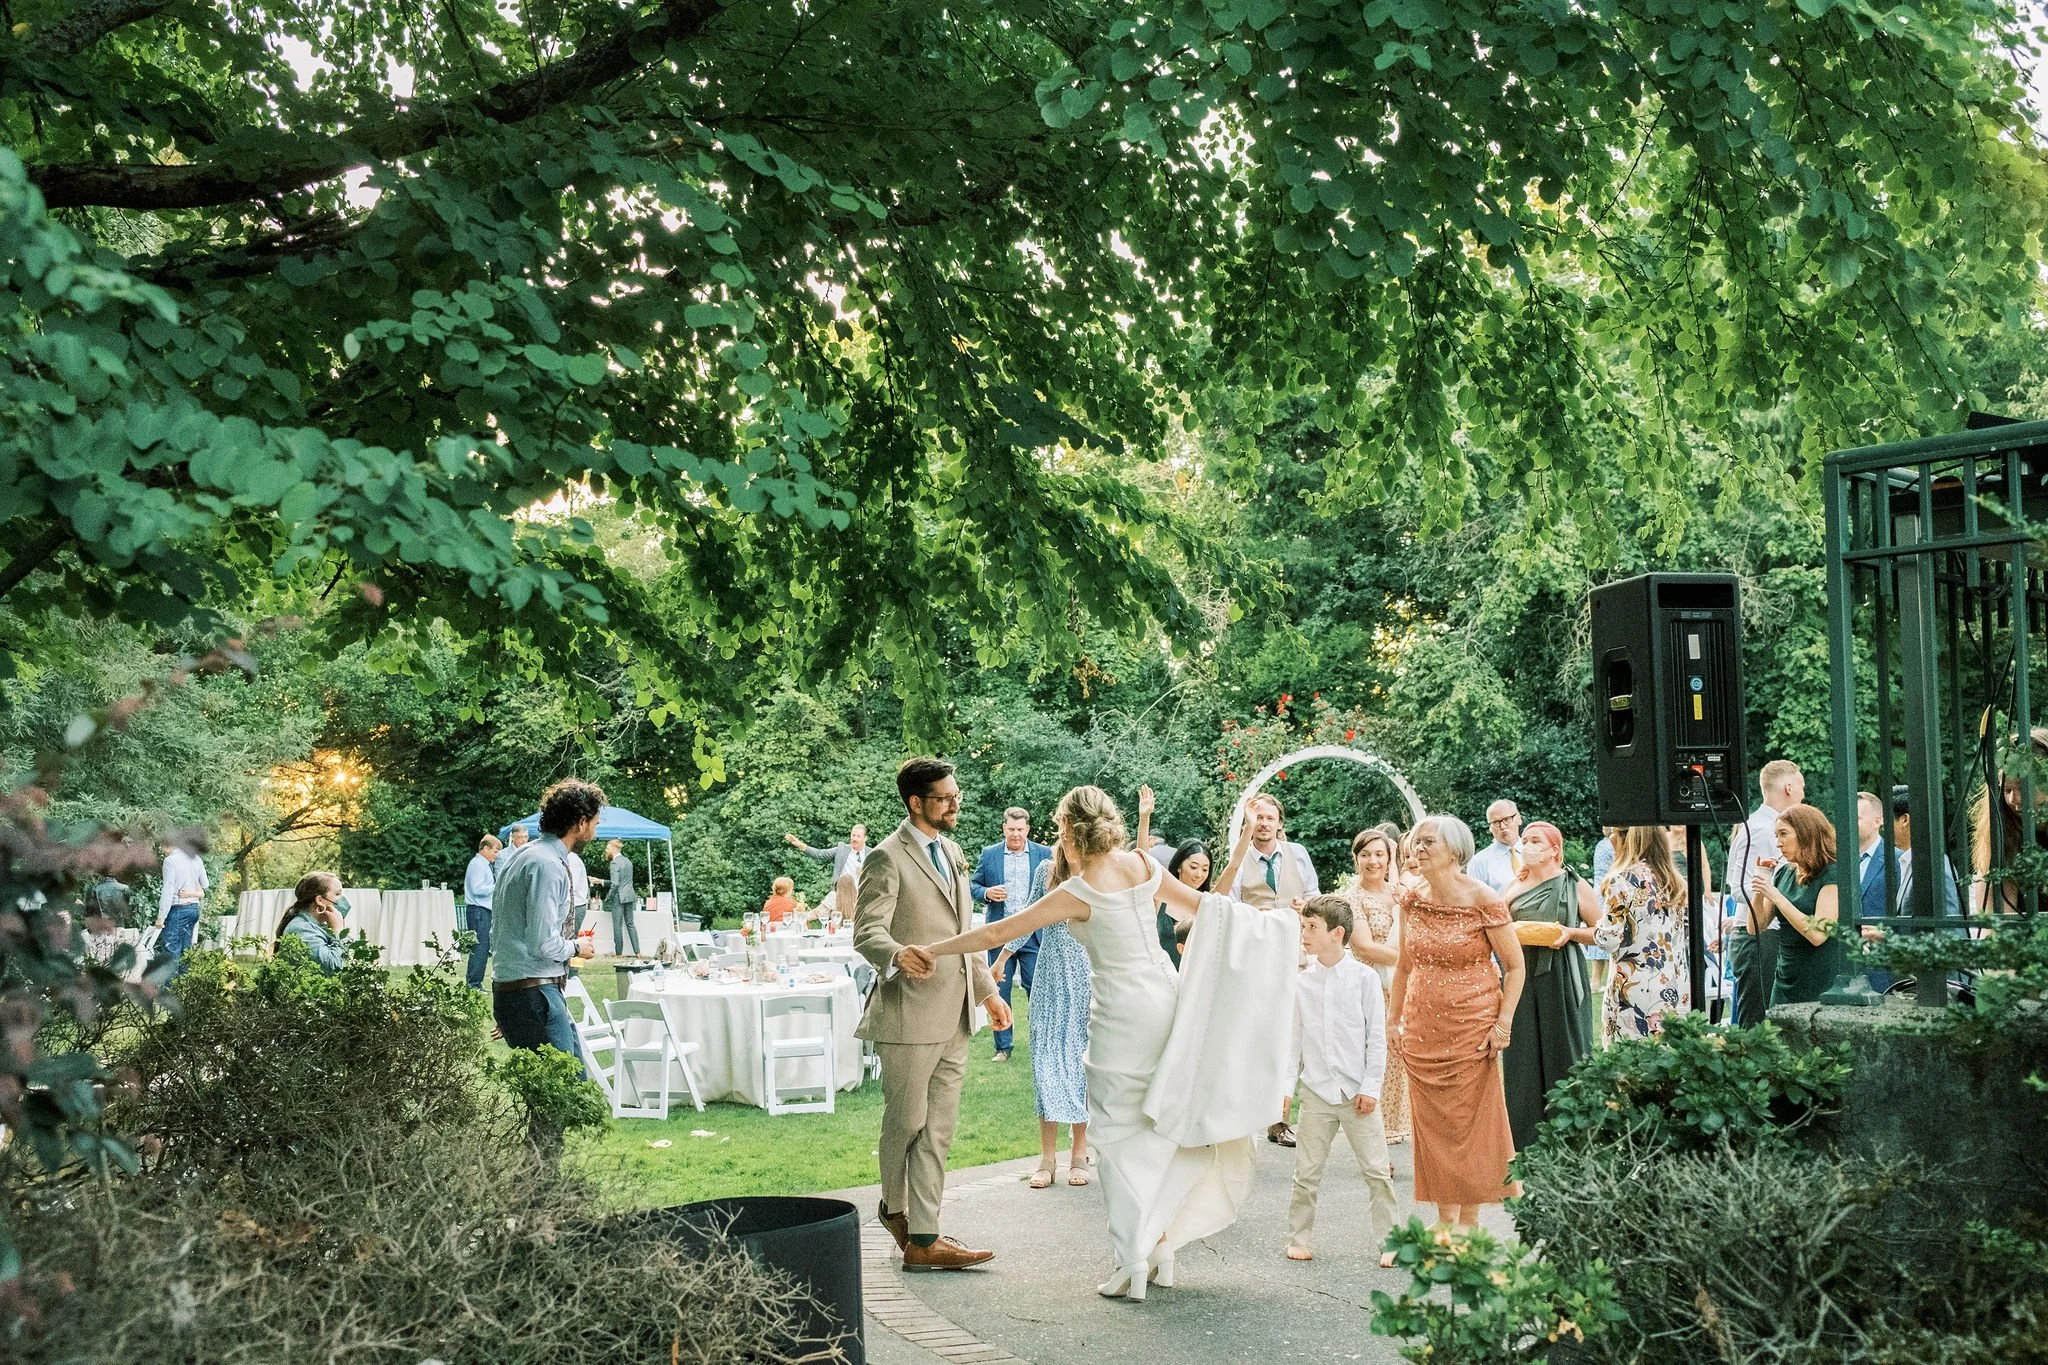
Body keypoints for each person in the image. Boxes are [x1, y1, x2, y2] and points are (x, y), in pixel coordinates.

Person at [908, 784, 1282, 1301]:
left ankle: (1131, 1261)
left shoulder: (1077, 892)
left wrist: (933, 947)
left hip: (1121, 1017)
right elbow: (1208, 908)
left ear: (1068, 830)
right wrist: (1276, 928)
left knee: (1115, 1138)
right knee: (1159, 1126)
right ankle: (1160, 1251)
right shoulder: (1143, 867)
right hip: (1164, 1002)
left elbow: (998, 934)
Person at [852, 757, 1011, 1272]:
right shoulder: (885, 858)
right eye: (944, 797)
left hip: (958, 1014)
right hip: (908, 1017)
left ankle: (923, 1238)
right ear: (915, 802)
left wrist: (988, 992)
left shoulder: (954, 850)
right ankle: (893, 1208)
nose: (954, 803)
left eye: (955, 794)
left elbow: (966, 935)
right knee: (906, 1122)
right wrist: (897, 953)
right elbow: (867, 932)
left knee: (938, 1130)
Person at [1388, 814, 1526, 1235]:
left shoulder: (1483, 898)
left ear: (1455, 851)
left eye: (1429, 842)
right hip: (1422, 1027)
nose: (1419, 848)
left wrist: (1503, 1024)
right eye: (1417, 842)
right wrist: (1393, 1021)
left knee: (1470, 1123)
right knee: (1433, 1126)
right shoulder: (1412, 899)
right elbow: (1405, 965)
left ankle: (1470, 1219)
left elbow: (1515, 966)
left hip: (1472, 1026)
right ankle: (1444, 1219)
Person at [1284, 894, 1399, 1264]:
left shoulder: (1364, 979)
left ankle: (1391, 1242)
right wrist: (1286, 1091)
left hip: (1357, 1093)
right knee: (1306, 1173)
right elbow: (1293, 1042)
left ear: (1337, 933)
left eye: (1312, 928)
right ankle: (1299, 1238)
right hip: (1316, 1091)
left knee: (1377, 1172)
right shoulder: (1301, 983)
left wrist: (1370, 1088)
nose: (1304, 934)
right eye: (1303, 926)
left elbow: (1376, 1039)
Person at [1500, 822, 1600, 1150]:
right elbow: (1496, 924)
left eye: (1535, 841)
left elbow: (1603, 931)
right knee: (1523, 1054)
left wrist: (1572, 933)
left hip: (1562, 974)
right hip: (1521, 976)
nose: (1527, 845)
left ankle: (1573, 1136)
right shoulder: (1514, 885)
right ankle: (1527, 1139)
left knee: (1565, 1050)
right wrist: (1513, 889)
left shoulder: (1573, 885)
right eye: (1525, 840)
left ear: (1554, 850)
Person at [1226, 791, 1317, 1145]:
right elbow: (1230, 905)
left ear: (1280, 823)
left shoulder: (1298, 854)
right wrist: (1254, 915)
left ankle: (1282, 1118)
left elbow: (1314, 893)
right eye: (1257, 817)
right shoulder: (1240, 859)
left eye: (1269, 817)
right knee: (1263, 1035)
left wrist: (1304, 903)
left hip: (1297, 953)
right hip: (1259, 956)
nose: (1263, 823)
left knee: (1296, 1034)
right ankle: (1255, 1112)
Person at [491, 779, 601, 1066]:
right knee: (567, 1095)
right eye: (595, 824)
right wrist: (578, 947)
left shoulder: (525, 856)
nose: (595, 831)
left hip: (520, 990)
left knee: (559, 1094)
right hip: (533, 992)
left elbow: (500, 930)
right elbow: (542, 942)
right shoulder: (548, 865)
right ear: (580, 823)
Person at [1015, 843, 1092, 1189]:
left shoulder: (1098, 874)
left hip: (1086, 977)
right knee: (1046, 1062)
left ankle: (1079, 1152)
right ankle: (1047, 1157)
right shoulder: (1045, 871)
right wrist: (1002, 958)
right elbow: (1026, 918)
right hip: (1049, 977)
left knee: (1081, 1063)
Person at [1337, 828, 1408, 1143]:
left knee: (1401, 1060)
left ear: (1389, 857)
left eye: (1379, 854)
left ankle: (1396, 1128)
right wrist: (1409, 961)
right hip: (1371, 988)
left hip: (1404, 986)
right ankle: (1373, 1137)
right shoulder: (1351, 899)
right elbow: (1365, 947)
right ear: (1356, 859)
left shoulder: (1400, 893)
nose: (1373, 861)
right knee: (1374, 1058)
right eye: (1365, 854)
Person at [971, 807, 1053, 1061]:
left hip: (1033, 934)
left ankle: (1042, 1042)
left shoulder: (1043, 854)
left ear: (1027, 829)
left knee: (1036, 989)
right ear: (1004, 828)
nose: (1015, 834)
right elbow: (973, 885)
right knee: (999, 990)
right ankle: (1003, 1048)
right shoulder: (990, 854)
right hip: (1000, 932)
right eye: (1011, 829)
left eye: (1020, 830)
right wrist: (986, 893)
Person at [1726, 760, 1803, 1026]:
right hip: (1759, 937)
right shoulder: (1761, 829)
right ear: (1789, 788)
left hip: (1766, 935)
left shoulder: (1763, 825)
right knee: (1757, 1024)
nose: (1804, 794)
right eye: (1802, 786)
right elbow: (1738, 889)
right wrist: (1777, 894)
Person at [1597, 825, 1689, 1036]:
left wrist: (1598, 928)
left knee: (1629, 1061)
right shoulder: (1675, 881)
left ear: (1626, 839)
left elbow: (1608, 940)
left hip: (1634, 986)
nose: (1611, 839)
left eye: (1614, 834)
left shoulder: (1621, 880)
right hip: (1673, 984)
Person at [1754, 804, 1844, 1006]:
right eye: (1776, 836)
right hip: (1785, 977)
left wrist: (1776, 896)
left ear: (1806, 833)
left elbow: (1818, 934)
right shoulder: (1784, 873)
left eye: (1784, 834)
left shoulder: (1832, 874)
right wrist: (1761, 885)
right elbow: (1755, 927)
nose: (1778, 843)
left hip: (1820, 979)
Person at [155, 828, 210, 976]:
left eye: (162, 846)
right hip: (193, 909)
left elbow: (168, 890)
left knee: (170, 949)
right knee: (186, 948)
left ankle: (170, 989)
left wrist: (161, 916)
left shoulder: (170, 861)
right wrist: (192, 891)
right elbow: (205, 884)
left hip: (178, 908)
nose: (162, 850)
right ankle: (185, 986)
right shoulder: (196, 858)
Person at [274, 871, 350, 974]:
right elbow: (336, 968)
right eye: (337, 894)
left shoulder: (319, 925)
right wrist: (339, 932)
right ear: (319, 900)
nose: (342, 899)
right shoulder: (302, 930)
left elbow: (352, 958)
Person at [1157, 840, 1211, 969]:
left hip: (1194, 983)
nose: (1199, 874)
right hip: (1160, 981)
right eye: (1193, 867)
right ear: (1179, 866)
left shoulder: (1208, 904)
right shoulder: (1159, 898)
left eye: (1205, 869)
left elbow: (1233, 867)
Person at [463, 834, 501, 990]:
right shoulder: (477, 865)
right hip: (478, 911)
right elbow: (477, 889)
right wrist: (497, 886)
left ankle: (475, 982)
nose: (496, 855)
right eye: (495, 851)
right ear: (485, 848)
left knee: (483, 948)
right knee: (479, 947)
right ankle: (473, 984)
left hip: (483, 911)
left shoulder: (484, 864)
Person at [1467, 800, 1523, 893]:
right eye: (1496, 822)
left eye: (1507, 819)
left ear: (1519, 818)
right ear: (1490, 827)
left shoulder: (1540, 853)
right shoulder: (1479, 862)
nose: (1503, 826)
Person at [786, 824, 871, 884]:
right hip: (842, 894)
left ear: (865, 838)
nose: (854, 839)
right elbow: (820, 854)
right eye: (853, 835)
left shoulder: (872, 853)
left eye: (858, 836)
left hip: (863, 896)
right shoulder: (842, 849)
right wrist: (800, 845)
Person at [603, 838, 641, 956]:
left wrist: (608, 898)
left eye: (608, 848)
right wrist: (602, 881)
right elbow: (624, 881)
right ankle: (637, 952)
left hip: (618, 897)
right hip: (629, 895)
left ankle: (619, 953)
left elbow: (615, 884)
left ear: (614, 849)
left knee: (617, 925)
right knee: (630, 924)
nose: (606, 850)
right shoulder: (628, 861)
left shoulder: (614, 863)